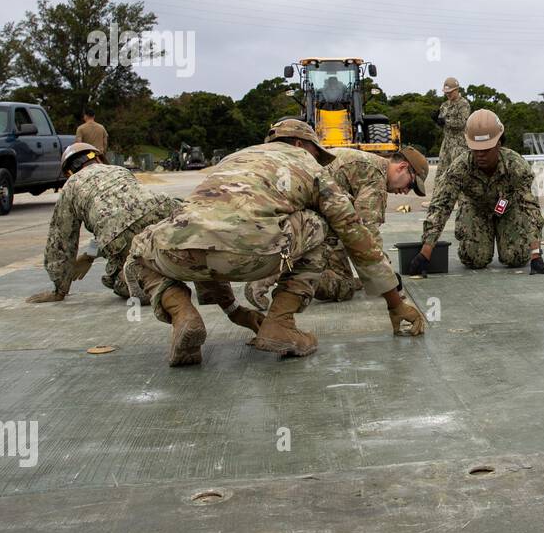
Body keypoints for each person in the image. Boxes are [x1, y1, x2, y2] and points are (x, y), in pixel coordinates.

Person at [128, 118, 426, 367]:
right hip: (254, 254)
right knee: (319, 223)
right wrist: (395, 303)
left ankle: (181, 312)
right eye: (315, 151)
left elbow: (209, 230)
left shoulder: (233, 159)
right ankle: (280, 322)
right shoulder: (308, 165)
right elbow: (354, 231)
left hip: (180, 254)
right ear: (300, 145)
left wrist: (234, 311)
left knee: (139, 249)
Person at [246, 146, 428, 309]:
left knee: (345, 273)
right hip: (312, 222)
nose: (406, 191)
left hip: (297, 212)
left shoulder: (367, 163)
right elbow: (364, 236)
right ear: (402, 167)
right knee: (344, 286)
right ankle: (278, 273)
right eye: (410, 184)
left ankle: (278, 269)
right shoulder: (376, 180)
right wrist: (388, 282)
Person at [25, 142, 177, 304]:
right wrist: (89, 255)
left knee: (115, 280)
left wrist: (60, 288)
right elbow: (130, 214)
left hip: (120, 236)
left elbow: (61, 239)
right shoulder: (119, 170)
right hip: (165, 215)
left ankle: (148, 282)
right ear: (98, 158)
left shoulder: (72, 185)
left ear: (69, 172)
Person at [411, 109, 544, 274]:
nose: (480, 155)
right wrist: (425, 252)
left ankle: (512, 242)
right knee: (473, 259)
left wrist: (535, 254)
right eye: (475, 149)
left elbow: (529, 207)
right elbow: (441, 205)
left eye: (486, 149)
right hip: (475, 208)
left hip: (508, 209)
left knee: (516, 258)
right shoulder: (460, 167)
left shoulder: (516, 166)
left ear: (499, 144)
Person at [435, 77, 471, 181]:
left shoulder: (463, 104)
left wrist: (445, 121)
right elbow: (442, 126)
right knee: (441, 176)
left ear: (457, 90)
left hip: (459, 145)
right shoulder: (444, 105)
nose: (448, 94)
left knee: (458, 175)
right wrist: (437, 121)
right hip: (446, 145)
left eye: (450, 92)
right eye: (446, 92)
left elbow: (462, 123)